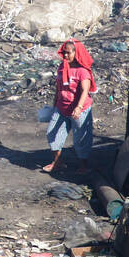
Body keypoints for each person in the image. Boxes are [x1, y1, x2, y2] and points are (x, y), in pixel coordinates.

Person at [43, 39, 96, 173]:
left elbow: (85, 90)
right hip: (62, 107)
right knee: (52, 133)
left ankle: (83, 165)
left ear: (76, 53)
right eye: (64, 53)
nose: (65, 56)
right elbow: (58, 87)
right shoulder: (62, 67)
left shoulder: (82, 71)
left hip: (80, 109)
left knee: (81, 138)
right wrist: (55, 104)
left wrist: (78, 108)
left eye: (68, 53)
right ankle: (57, 162)